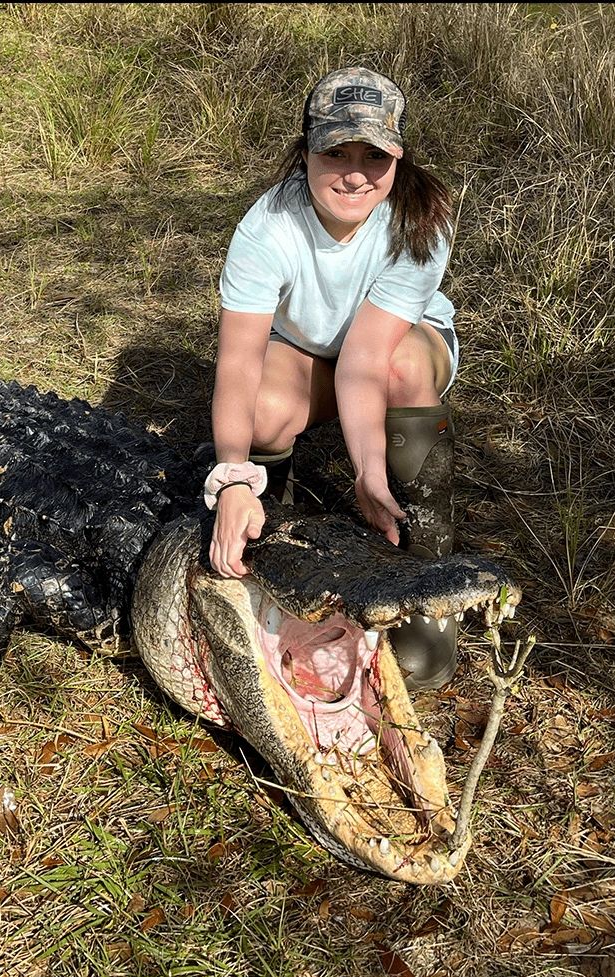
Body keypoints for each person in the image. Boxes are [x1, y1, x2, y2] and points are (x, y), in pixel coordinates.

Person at [202, 66, 460, 690]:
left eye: (374, 155)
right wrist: (231, 475)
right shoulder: (267, 228)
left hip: (398, 354)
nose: (354, 174)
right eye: (335, 152)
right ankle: (273, 544)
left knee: (399, 368)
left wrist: (368, 470)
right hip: (305, 353)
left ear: (398, 156)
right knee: (260, 404)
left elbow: (366, 360)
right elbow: (237, 358)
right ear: (305, 152)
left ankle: (427, 576)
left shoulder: (420, 221)